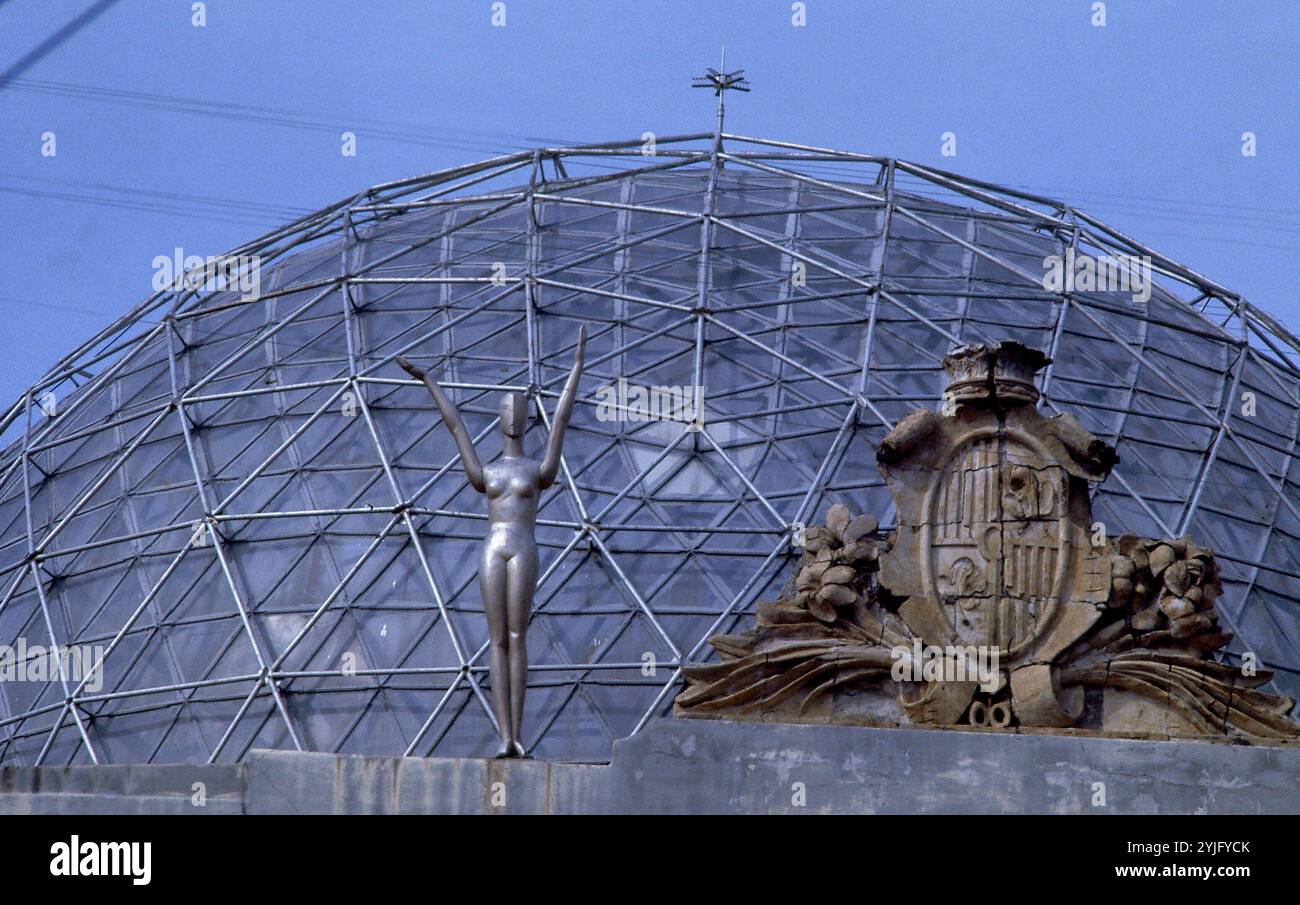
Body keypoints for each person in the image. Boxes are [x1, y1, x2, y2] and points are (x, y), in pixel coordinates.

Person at [396, 326, 586, 757]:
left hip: (523, 546)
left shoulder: (539, 470)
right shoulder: (488, 472)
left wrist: (577, 365)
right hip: (493, 548)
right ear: (498, 418)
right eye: (505, 410)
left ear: (527, 418)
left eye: (520, 410)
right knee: (496, 639)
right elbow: (454, 425)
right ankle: (504, 736)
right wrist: (427, 379)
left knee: (517, 636)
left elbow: (561, 418)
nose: (513, 416)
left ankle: (517, 736)